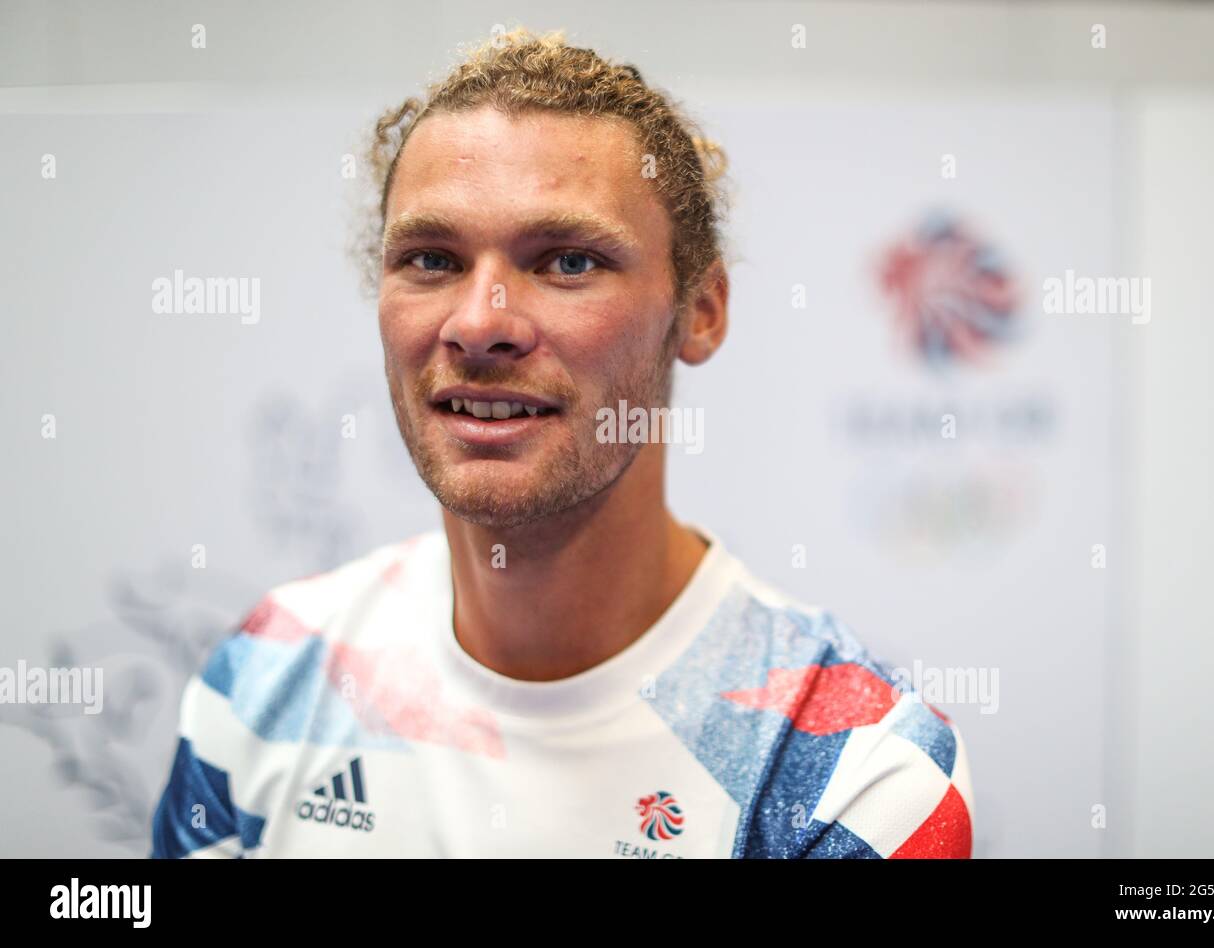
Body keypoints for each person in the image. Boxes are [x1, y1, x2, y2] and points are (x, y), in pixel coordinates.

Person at [151, 27, 973, 859]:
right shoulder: (267, 675)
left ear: (702, 310)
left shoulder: (853, 766)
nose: (479, 323)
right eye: (432, 258)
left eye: (568, 262)